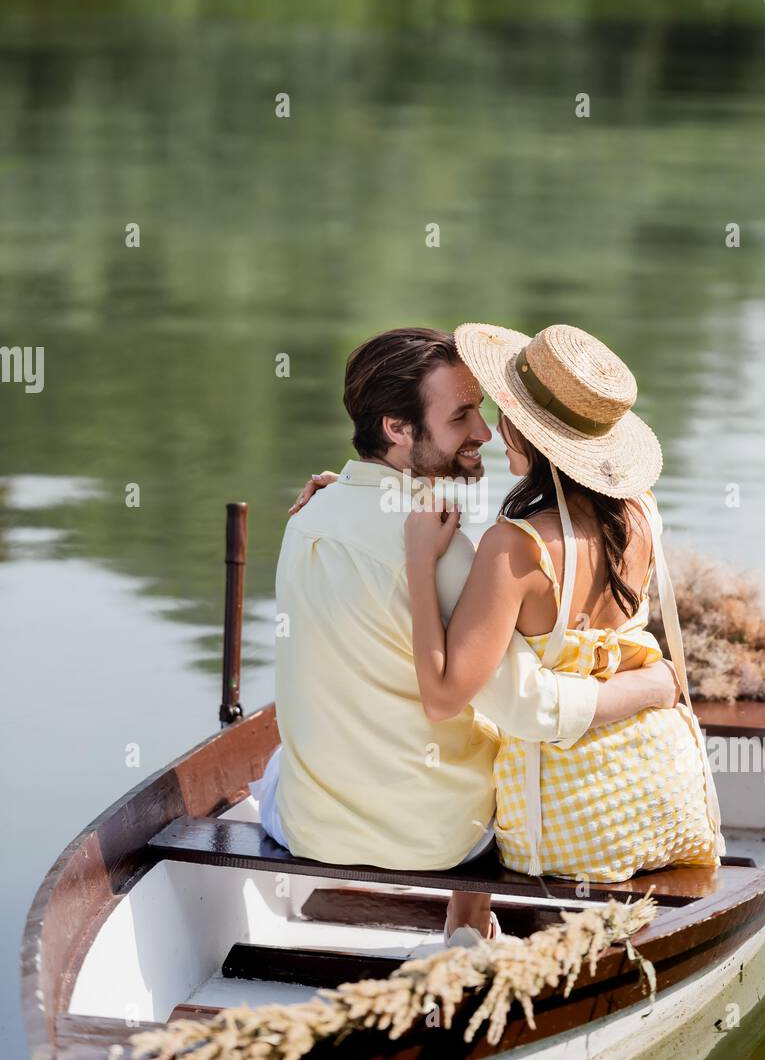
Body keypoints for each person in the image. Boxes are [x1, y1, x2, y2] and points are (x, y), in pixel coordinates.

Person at [250, 327, 682, 947]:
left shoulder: (306, 519)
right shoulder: (455, 554)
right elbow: (521, 705)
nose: (483, 431)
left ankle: (465, 926)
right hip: (443, 839)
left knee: (278, 761)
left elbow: (376, 519)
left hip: (307, 827)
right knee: (498, 740)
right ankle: (469, 926)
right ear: (397, 429)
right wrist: (655, 684)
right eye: (462, 415)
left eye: (482, 409)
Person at [403, 322, 725, 883]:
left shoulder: (516, 547)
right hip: (653, 798)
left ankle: (469, 921)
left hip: (564, 832)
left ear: (531, 433)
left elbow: (446, 695)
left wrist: (416, 565)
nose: (497, 431)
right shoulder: (641, 512)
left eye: (507, 414)